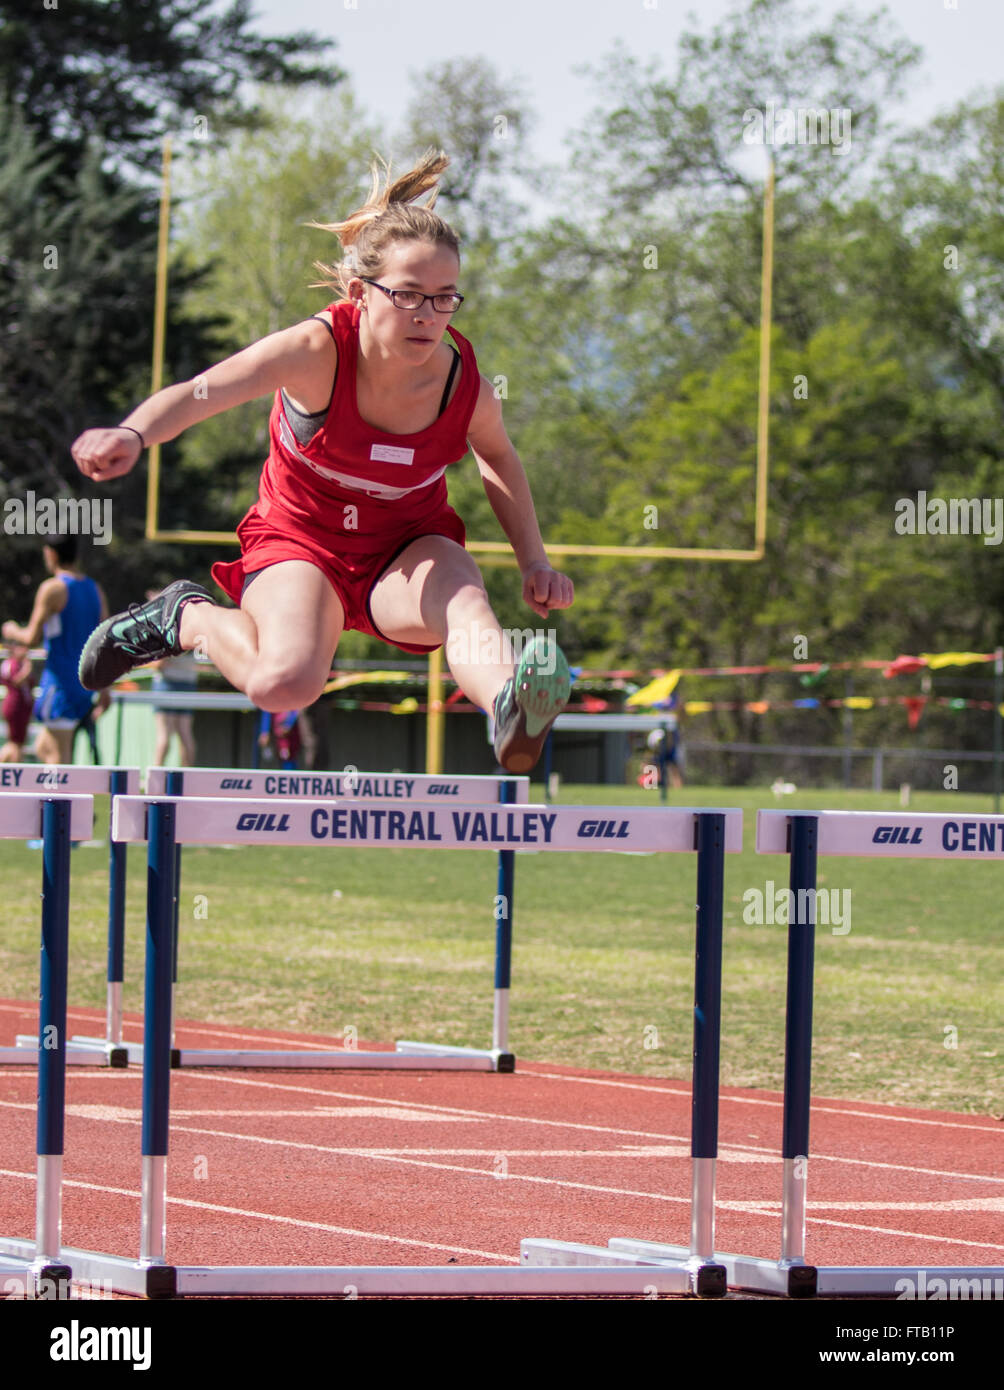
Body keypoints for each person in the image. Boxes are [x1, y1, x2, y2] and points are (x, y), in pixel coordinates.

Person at [70, 151, 572, 773]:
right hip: (301, 542)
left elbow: (497, 456)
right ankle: (187, 616)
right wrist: (132, 433)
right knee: (283, 686)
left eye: (446, 299)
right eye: (410, 295)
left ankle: (510, 709)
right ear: (362, 293)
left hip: (404, 549)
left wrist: (535, 560)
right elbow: (203, 393)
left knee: (463, 595)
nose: (428, 316)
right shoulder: (315, 351)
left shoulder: (462, 382)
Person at [1, 537, 108, 764]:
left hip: (60, 685)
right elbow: (106, 640)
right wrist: (105, 688)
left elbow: (31, 637)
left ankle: (63, 800)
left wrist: (11, 631)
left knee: (59, 757)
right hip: (85, 685)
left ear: (51, 554)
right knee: (43, 747)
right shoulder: (94, 589)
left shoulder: (53, 588)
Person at [0, 642, 34, 762]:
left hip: (22, 707)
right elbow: (16, 681)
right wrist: (27, 669)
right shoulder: (11, 664)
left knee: (18, 743)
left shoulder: (19, 664)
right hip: (15, 706)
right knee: (15, 743)